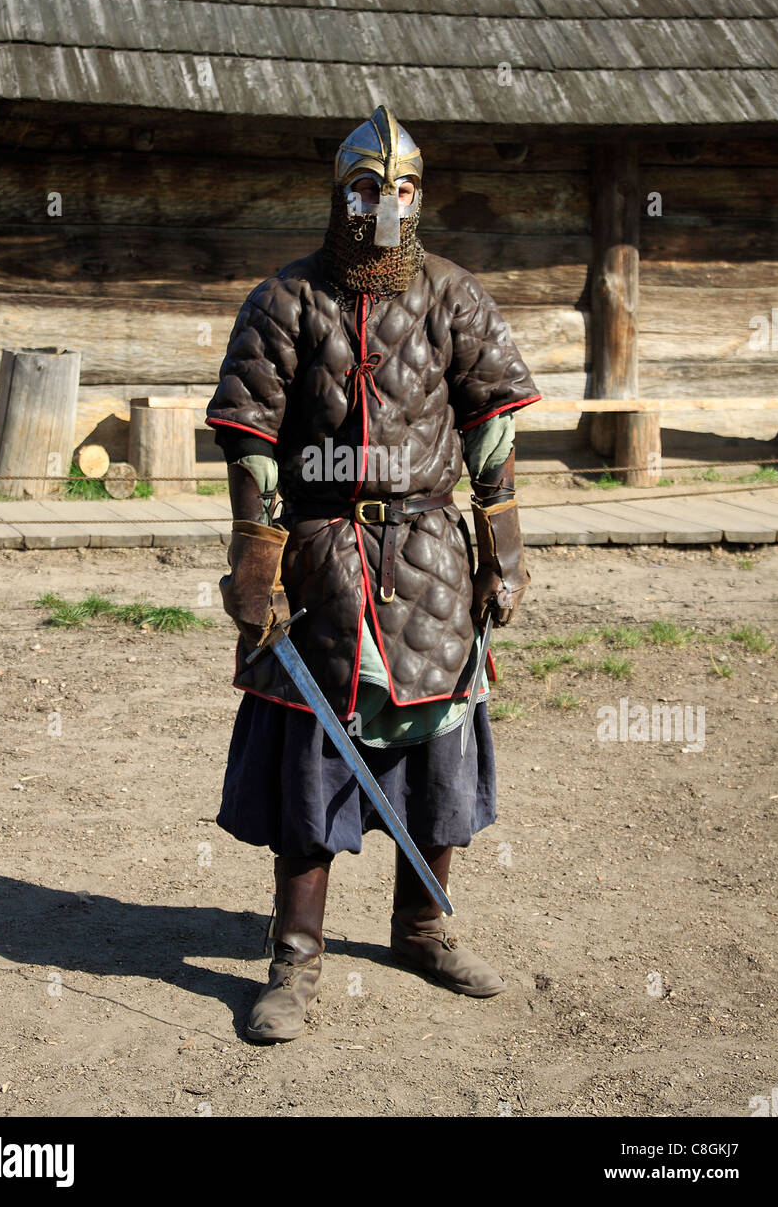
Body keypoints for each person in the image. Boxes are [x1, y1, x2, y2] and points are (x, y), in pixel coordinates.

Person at [206, 105, 540, 1042]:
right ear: (338, 195)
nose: (383, 204)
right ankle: (297, 955)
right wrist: (255, 556)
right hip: (321, 565)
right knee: (313, 757)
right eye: (365, 187)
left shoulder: (453, 294)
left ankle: (423, 928)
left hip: (431, 555)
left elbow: (492, 425)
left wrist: (503, 545)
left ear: (418, 198)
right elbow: (252, 439)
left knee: (437, 745)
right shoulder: (285, 299)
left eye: (400, 189)